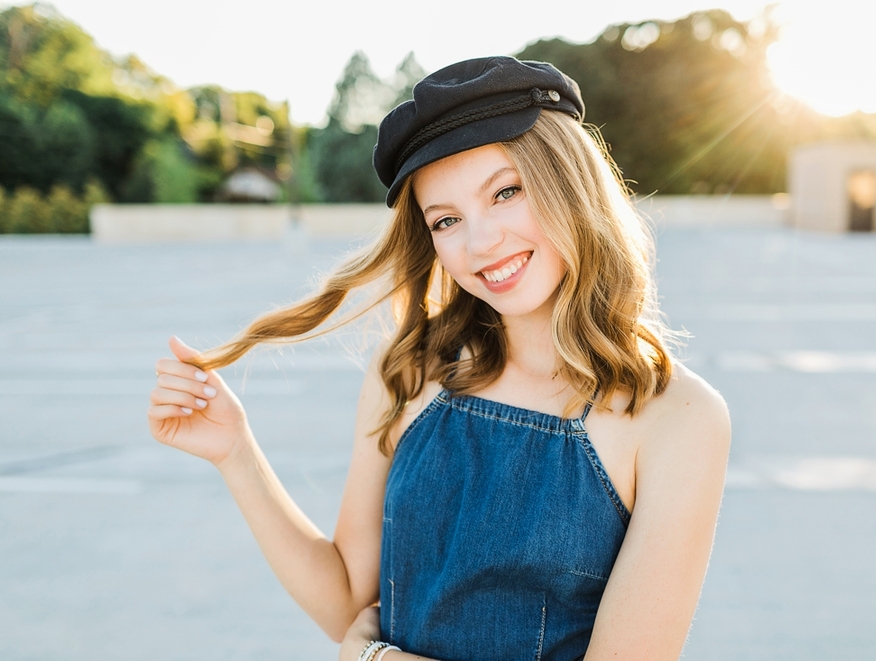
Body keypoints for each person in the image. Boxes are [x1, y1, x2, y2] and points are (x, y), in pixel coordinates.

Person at [147, 56, 731, 661]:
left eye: (506, 192)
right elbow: (347, 600)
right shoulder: (408, 370)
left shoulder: (678, 418)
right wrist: (235, 452)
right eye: (446, 220)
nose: (480, 243)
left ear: (569, 184)